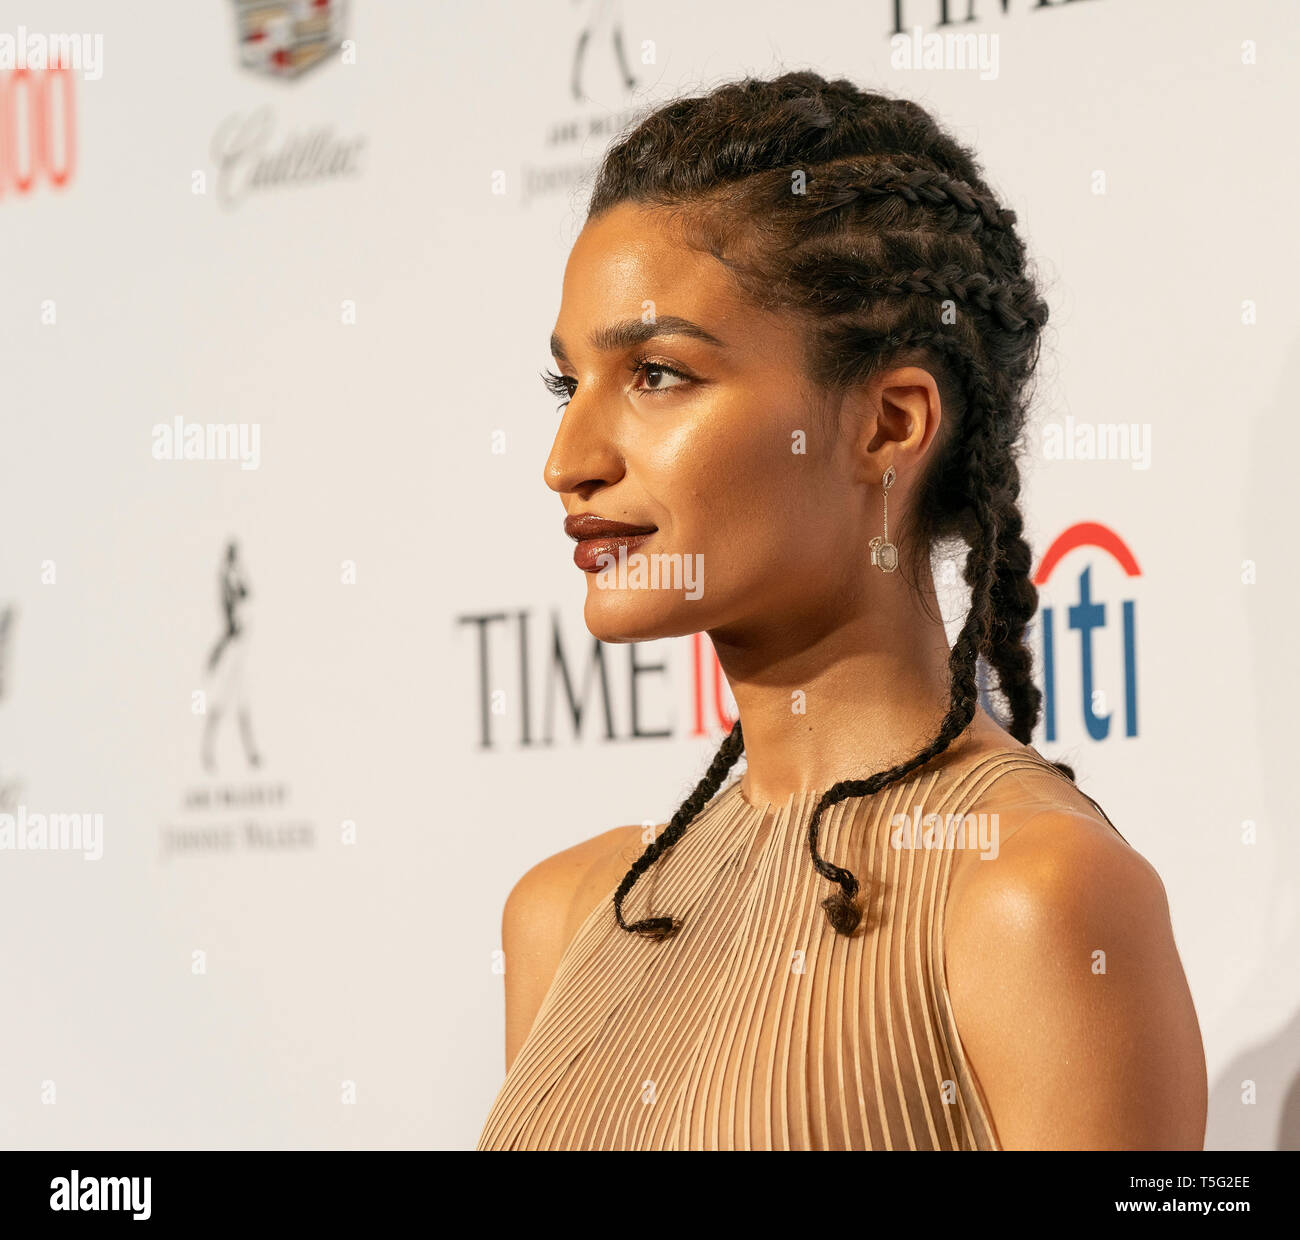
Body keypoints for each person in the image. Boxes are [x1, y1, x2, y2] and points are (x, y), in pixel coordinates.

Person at [478, 70, 1206, 1150]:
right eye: (566, 385)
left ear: (888, 424)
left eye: (659, 373)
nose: (566, 461)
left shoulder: (1037, 899)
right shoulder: (569, 913)